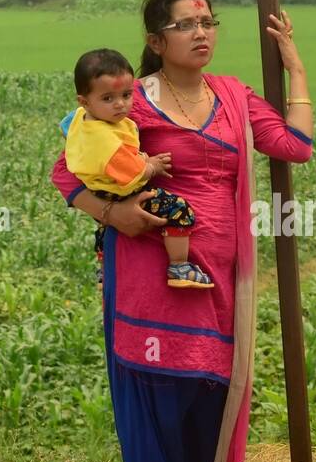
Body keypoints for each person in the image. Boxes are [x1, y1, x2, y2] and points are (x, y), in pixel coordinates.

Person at [49, 0, 313, 462]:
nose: (202, 33)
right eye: (186, 25)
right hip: (149, 271)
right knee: (156, 390)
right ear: (154, 40)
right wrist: (115, 213)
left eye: (209, 22)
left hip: (220, 272)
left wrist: (294, 67)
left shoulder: (235, 96)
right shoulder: (129, 101)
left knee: (206, 386)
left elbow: (294, 146)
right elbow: (66, 171)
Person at [60, 48, 211, 289]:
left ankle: (103, 269)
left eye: (127, 95)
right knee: (179, 210)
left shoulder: (82, 117)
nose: (120, 104)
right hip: (122, 191)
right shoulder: (107, 141)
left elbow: (66, 126)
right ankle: (179, 266)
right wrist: (152, 165)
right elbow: (133, 174)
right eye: (108, 99)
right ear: (84, 101)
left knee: (104, 225)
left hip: (98, 189)